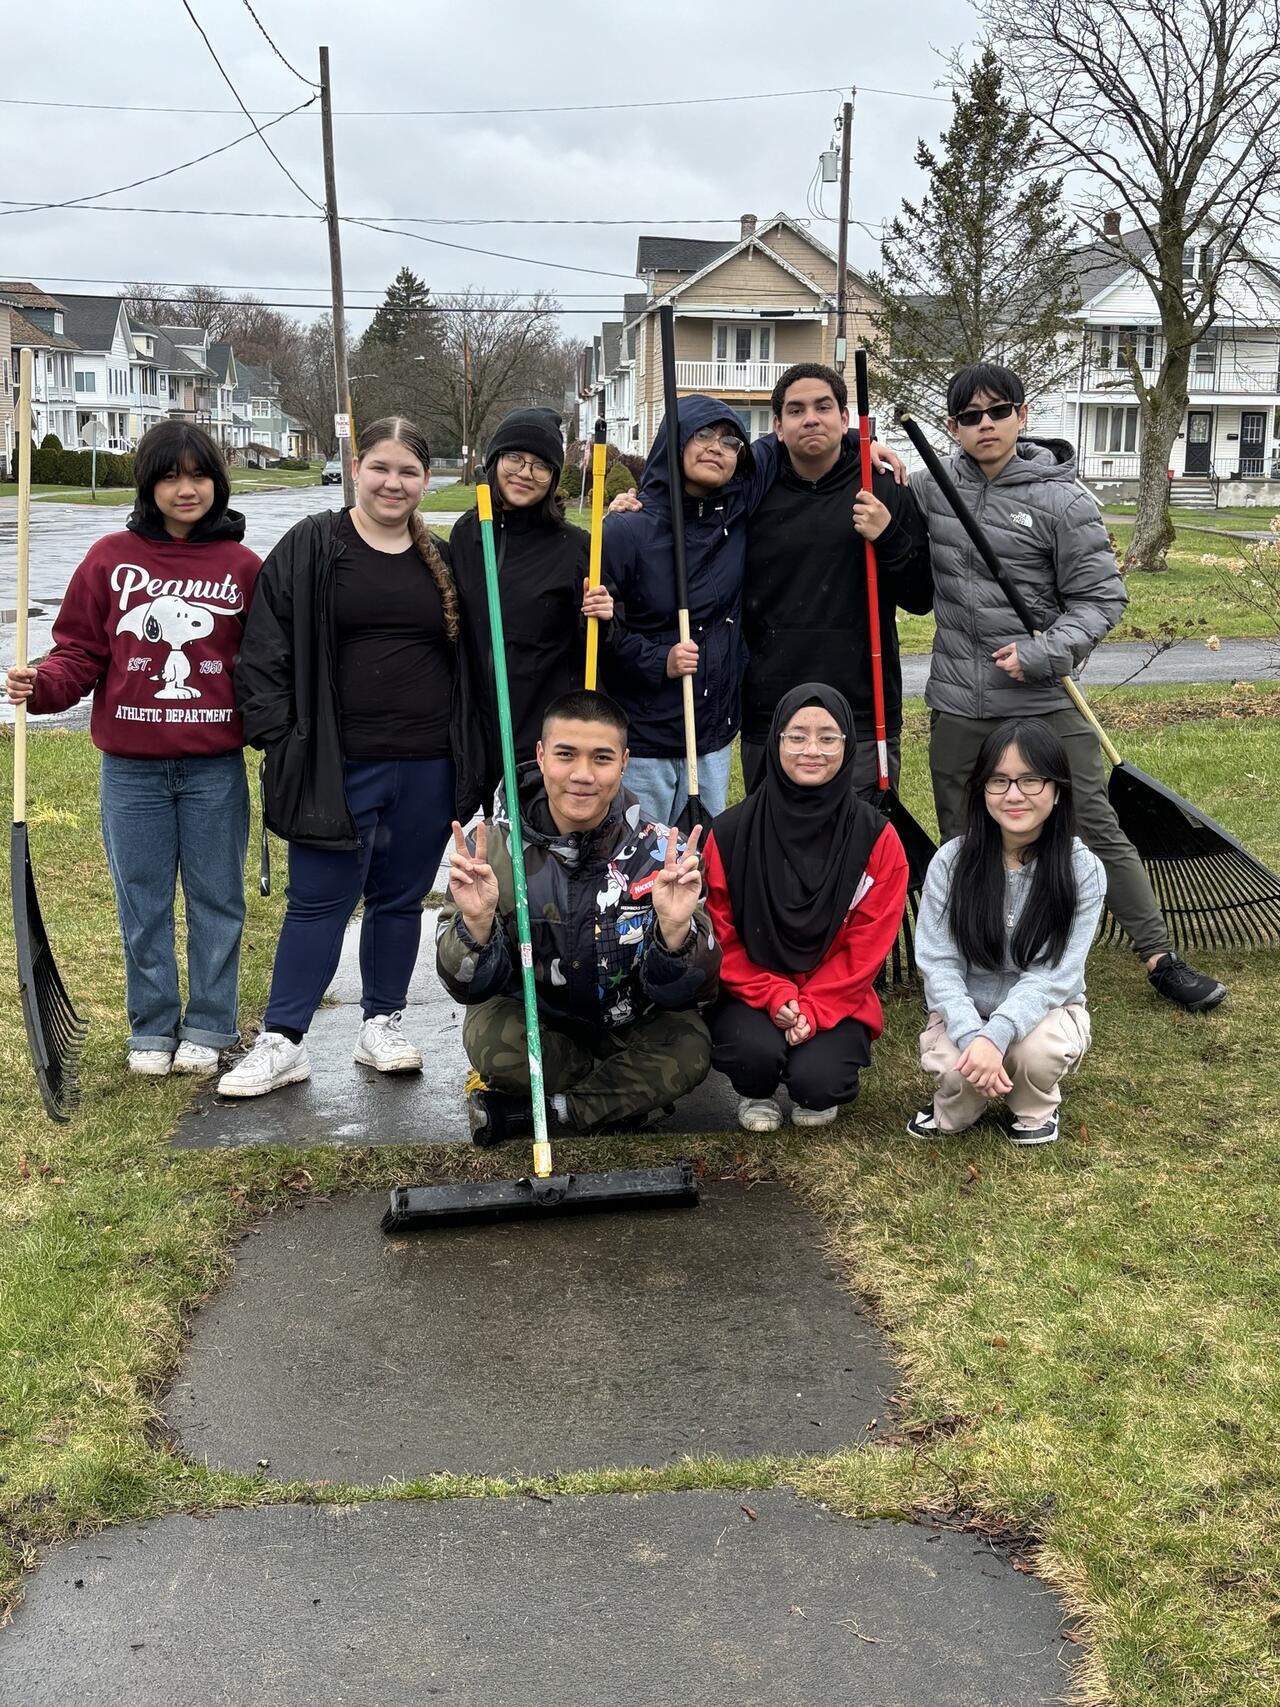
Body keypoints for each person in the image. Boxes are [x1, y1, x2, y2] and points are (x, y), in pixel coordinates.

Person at [915, 360, 1226, 1014]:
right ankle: (975, 957)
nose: (986, 425)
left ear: (1022, 416)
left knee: (1092, 825)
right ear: (953, 427)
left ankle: (1159, 955)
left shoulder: (1063, 499)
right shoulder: (932, 487)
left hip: (1045, 695)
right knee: (964, 836)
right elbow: (875, 493)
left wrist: (1043, 652)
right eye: (970, 417)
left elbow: (1100, 598)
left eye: (998, 411)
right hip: (960, 699)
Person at [4, 422, 260, 1076]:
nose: (185, 489)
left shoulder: (242, 567)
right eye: (170, 475)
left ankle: (209, 1023)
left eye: (198, 475)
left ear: (216, 482)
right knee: (141, 902)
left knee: (217, 899)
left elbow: (265, 663)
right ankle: (151, 1026)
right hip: (132, 771)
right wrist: (42, 685)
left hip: (212, 768)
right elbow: (80, 654)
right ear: (147, 483)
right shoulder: (109, 558)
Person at [220, 416, 458, 1097]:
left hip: (424, 764)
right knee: (318, 900)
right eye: (381, 467)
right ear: (357, 469)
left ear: (426, 479)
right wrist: (280, 736)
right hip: (333, 762)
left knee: (399, 899)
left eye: (408, 471)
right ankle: (284, 1038)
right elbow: (262, 648)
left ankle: (380, 1023)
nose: (394, 482)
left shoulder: (439, 558)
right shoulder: (314, 545)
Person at [438, 688, 720, 1141]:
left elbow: (697, 991)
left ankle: (550, 1112)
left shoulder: (661, 853)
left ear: (624, 762)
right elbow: (464, 985)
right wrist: (475, 925)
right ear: (541, 755)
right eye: (566, 755)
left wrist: (675, 931)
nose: (583, 775)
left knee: (689, 1050)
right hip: (538, 1021)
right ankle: (617, 1098)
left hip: (629, 1020)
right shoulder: (489, 850)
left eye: (602, 759)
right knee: (493, 1047)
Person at [703, 685, 909, 1132]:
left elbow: (866, 948)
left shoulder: (877, 840)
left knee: (818, 1083)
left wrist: (813, 1008)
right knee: (751, 1054)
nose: (811, 750)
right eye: (796, 737)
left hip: (838, 997)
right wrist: (775, 995)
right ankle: (755, 1091)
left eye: (827, 737)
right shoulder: (730, 834)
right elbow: (722, 936)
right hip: (752, 994)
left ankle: (814, 1075)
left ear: (848, 744)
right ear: (775, 741)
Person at [739, 362, 932, 798]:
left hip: (862, 708)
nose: (811, 418)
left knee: (861, 851)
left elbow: (922, 597)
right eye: (796, 409)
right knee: (771, 850)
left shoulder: (881, 486)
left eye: (824, 407)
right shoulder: (749, 491)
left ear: (844, 419)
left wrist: (889, 537)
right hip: (769, 705)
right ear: (778, 426)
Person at [910, 719, 1106, 1145]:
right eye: (999, 781)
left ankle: (1035, 1109)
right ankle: (956, 1107)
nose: (1014, 795)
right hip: (965, 1010)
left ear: (1057, 790)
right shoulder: (951, 862)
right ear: (982, 790)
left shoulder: (1082, 869)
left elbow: (1055, 974)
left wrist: (996, 1037)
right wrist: (972, 1036)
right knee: (955, 1064)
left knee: (1034, 1053)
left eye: (1031, 780)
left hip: (1046, 1013)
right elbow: (939, 962)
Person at [601, 394, 771, 825]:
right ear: (674, 442)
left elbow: (799, 438)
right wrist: (661, 660)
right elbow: (599, 634)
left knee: (700, 867)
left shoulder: (737, 515)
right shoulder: (626, 530)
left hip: (711, 737)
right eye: (703, 434)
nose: (717, 447)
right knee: (640, 867)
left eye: (732, 441)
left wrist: (862, 442)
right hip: (646, 740)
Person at [449, 406, 613, 815]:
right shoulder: (468, 533)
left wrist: (602, 616)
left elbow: (597, 645)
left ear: (554, 477)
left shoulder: (576, 546)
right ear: (494, 462)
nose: (526, 473)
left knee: (541, 845)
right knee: (495, 849)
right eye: (515, 459)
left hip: (540, 722)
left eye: (541, 466)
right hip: (479, 719)